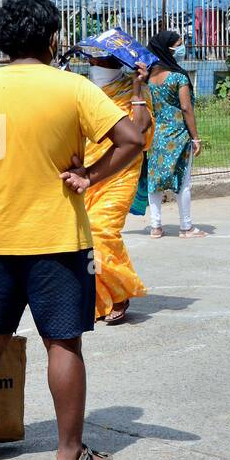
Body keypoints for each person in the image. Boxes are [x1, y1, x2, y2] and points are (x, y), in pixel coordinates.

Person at [0, 0, 144, 460]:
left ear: (1, 41)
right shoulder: (73, 89)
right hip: (57, 239)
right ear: (53, 39)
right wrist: (92, 176)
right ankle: (68, 455)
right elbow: (132, 139)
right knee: (63, 344)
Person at [83, 53, 153, 324]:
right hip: (88, 172)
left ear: (117, 64)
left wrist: (137, 87)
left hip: (120, 173)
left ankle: (120, 293)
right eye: (92, 62)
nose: (95, 67)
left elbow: (140, 128)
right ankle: (99, 299)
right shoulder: (85, 90)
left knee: (101, 230)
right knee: (83, 240)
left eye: (101, 62)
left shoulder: (135, 89)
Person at [144, 29, 204, 239]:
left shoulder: (149, 78)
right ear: (168, 48)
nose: (182, 48)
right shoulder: (178, 77)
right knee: (183, 182)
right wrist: (196, 137)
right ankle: (186, 227)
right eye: (179, 44)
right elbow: (186, 108)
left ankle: (155, 227)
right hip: (178, 134)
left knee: (155, 181)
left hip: (157, 135)